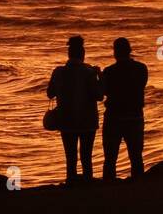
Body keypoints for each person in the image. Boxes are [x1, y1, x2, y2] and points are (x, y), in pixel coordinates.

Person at [47, 35, 102, 185]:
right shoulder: (89, 72)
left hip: (66, 120)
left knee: (70, 156)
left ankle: (71, 182)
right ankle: (87, 183)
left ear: (69, 55)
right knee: (86, 156)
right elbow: (99, 96)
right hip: (87, 121)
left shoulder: (58, 72)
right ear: (83, 55)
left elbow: (50, 93)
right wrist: (99, 76)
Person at [101, 37, 148, 180]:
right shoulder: (141, 68)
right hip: (135, 116)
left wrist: (99, 76)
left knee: (110, 159)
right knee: (136, 157)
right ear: (130, 51)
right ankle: (138, 186)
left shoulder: (109, 72)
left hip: (113, 118)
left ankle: (108, 188)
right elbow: (141, 86)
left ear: (115, 52)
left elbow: (104, 91)